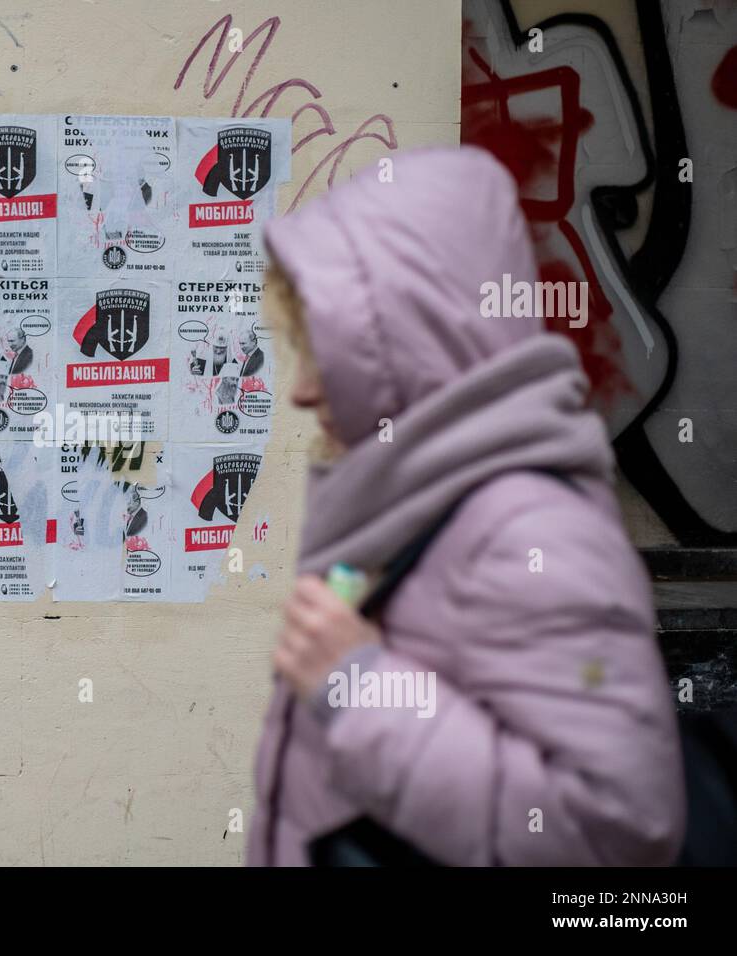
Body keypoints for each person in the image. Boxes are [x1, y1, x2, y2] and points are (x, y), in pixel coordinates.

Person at [249, 146, 684, 867]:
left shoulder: (531, 534)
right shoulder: (428, 501)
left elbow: (620, 836)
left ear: (414, 338)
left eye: (323, 353)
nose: (300, 391)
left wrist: (361, 692)